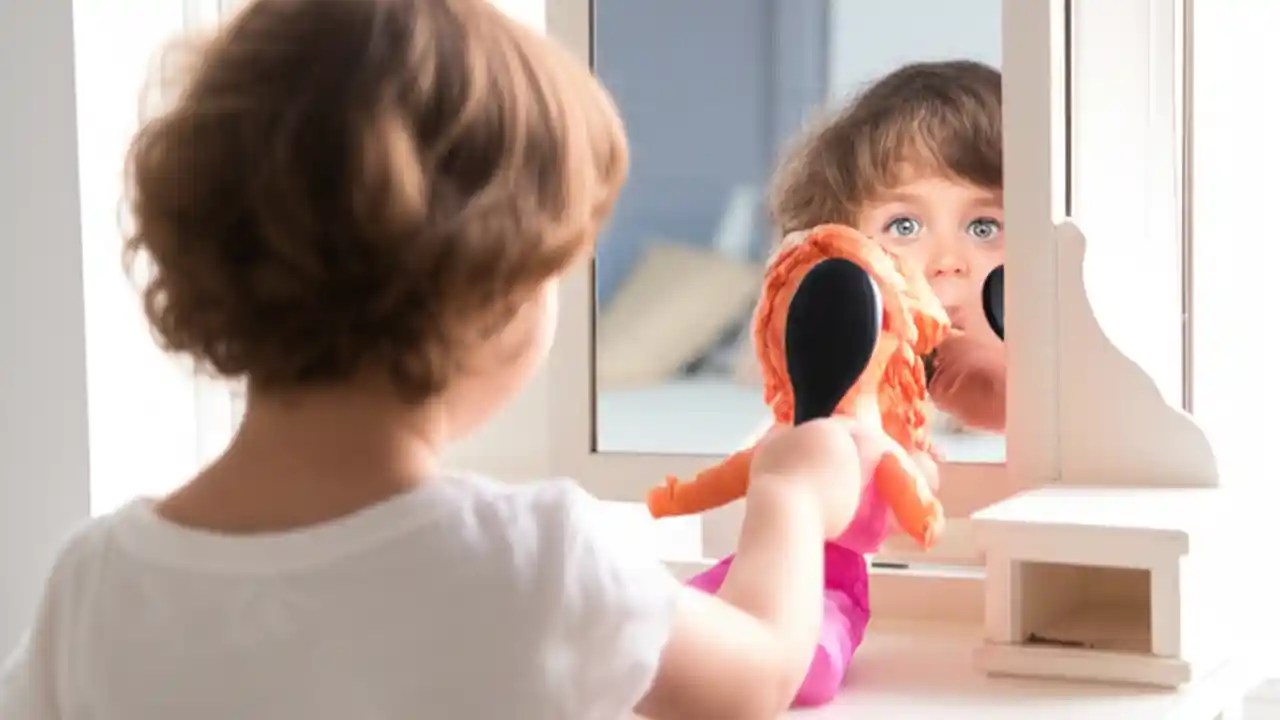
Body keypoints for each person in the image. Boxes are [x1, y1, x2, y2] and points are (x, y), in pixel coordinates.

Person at [0, 1, 867, 718]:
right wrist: (788, 494)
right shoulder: (534, 564)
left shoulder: (96, 585)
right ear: (494, 291)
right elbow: (755, 678)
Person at [771, 60, 1008, 433]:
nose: (947, 261)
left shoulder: (1073, 401)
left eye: (983, 227)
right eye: (905, 225)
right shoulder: (832, 413)